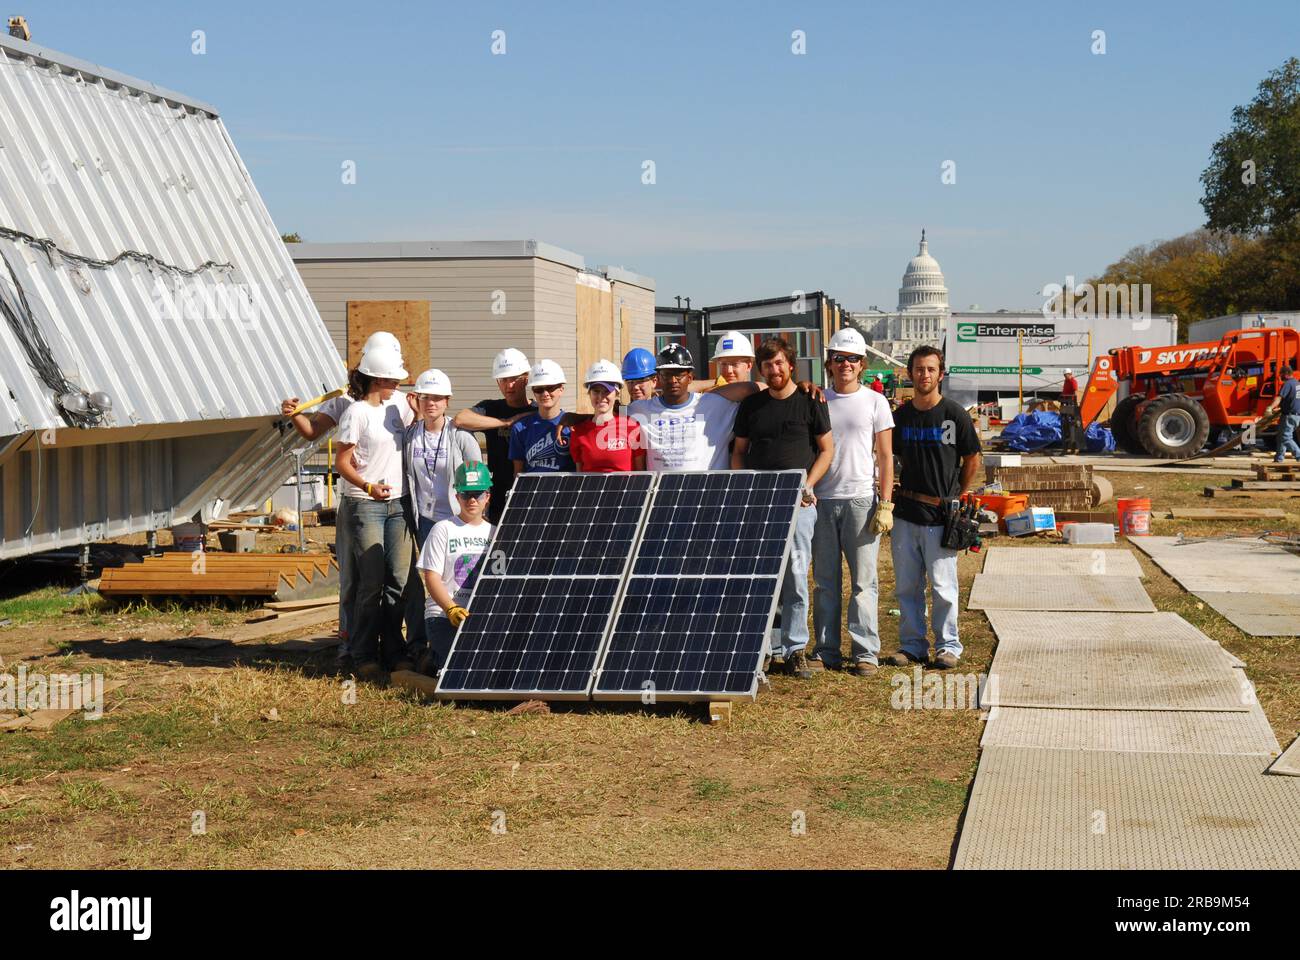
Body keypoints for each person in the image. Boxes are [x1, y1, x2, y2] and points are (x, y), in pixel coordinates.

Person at [280, 331, 402, 662]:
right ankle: (350, 644)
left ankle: (383, 645)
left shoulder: (396, 403)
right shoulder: (344, 403)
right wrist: (294, 415)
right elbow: (311, 431)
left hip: (390, 503)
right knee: (354, 577)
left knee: (387, 578)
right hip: (355, 501)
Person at [731, 337, 833, 680]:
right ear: (760, 370)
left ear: (791, 365)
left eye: (779, 364)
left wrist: (809, 485)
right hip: (759, 504)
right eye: (767, 365)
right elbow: (739, 451)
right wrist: (741, 487)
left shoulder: (811, 401)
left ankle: (794, 649)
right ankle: (763, 649)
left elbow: (827, 450)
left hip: (799, 505)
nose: (774, 370)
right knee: (760, 578)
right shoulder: (752, 406)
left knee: (795, 577)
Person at [886, 345, 981, 670]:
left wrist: (960, 494)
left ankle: (948, 646)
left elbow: (972, 457)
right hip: (906, 515)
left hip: (941, 515)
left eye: (930, 369)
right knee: (907, 587)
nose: (924, 375)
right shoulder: (900, 417)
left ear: (940, 374)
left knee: (943, 587)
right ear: (910, 373)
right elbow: (887, 456)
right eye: (918, 369)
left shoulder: (954, 414)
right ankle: (912, 646)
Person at [811, 328, 895, 677]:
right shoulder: (817, 400)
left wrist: (886, 503)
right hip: (823, 502)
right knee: (825, 581)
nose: (845, 364)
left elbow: (886, 456)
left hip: (861, 501)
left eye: (853, 359)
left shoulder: (876, 402)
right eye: (839, 358)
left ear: (862, 365)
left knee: (864, 582)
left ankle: (865, 652)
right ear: (829, 363)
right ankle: (826, 650)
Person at [334, 343, 418, 679]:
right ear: (376, 379)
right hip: (366, 504)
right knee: (371, 582)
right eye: (392, 380)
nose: (398, 384)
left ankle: (394, 650)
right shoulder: (356, 413)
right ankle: (363, 652)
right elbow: (342, 462)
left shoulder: (395, 409)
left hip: (398, 503)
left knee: (398, 580)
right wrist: (368, 486)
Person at [401, 368, 482, 660]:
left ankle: (465, 630)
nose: (431, 403)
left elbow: (479, 477)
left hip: (458, 519)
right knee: (431, 579)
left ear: (447, 401)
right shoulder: (411, 436)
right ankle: (424, 639)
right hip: (426, 520)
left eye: (437, 398)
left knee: (461, 576)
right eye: (425, 398)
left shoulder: (460, 436)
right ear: (418, 400)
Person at [417, 463, 495, 677]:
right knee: (459, 672)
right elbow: (431, 576)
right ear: (457, 496)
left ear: (487, 496)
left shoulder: (496, 534)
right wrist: (450, 608)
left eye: (477, 494)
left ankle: (434, 657)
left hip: (480, 617)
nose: (472, 500)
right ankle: (435, 658)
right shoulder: (443, 529)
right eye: (465, 494)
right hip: (443, 615)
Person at [453, 348, 534, 525]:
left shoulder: (536, 411)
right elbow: (460, 419)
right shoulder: (491, 408)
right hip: (497, 494)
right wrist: (505, 422)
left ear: (526, 378)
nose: (509, 385)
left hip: (529, 491)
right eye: (503, 379)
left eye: (514, 379)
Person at [569, 360, 646, 472]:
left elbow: (641, 474)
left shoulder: (632, 427)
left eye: (607, 391)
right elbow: (579, 476)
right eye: (596, 391)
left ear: (617, 393)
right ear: (589, 394)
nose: (601, 396)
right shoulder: (578, 432)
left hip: (626, 489)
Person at [510, 360, 574, 473]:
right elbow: (518, 473)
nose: (545, 394)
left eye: (550, 388)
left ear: (561, 389)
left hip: (565, 489)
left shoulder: (573, 426)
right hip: (531, 488)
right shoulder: (520, 428)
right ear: (534, 392)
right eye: (539, 389)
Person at [1269, 365, 1300, 462]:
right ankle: (1279, 458)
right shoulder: (1297, 384)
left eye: (1281, 374)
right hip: (1296, 415)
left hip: (1289, 416)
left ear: (1286, 374)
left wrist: (1270, 407)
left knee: (1286, 437)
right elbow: (1292, 399)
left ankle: (1299, 455)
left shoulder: (1288, 384)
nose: (1280, 377)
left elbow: (1279, 397)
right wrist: (1280, 408)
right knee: (1281, 436)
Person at [1059, 368, 1083, 454]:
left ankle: (1075, 446)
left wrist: (1072, 401)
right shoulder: (1066, 381)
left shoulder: (1073, 381)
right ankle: (1067, 447)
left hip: (1071, 403)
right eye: (1065, 375)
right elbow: (1064, 391)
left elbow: (1075, 391)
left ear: (1071, 374)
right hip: (1066, 403)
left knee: (1073, 424)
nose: (1066, 376)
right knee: (1065, 425)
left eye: (1067, 375)